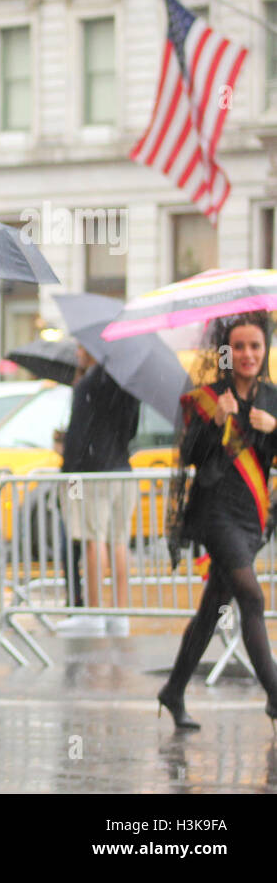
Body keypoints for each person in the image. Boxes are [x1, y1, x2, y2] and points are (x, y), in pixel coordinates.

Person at [159, 312, 277, 731]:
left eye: (255, 346)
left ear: (265, 350)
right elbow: (189, 455)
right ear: (226, 352)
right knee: (253, 599)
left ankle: (172, 690)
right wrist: (216, 421)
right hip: (215, 513)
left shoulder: (272, 399)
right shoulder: (207, 398)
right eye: (239, 347)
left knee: (213, 609)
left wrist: (275, 428)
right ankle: (276, 696)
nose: (248, 354)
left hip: (251, 518)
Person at [55, 345, 139, 638]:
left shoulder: (88, 384)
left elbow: (78, 434)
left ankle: (94, 611)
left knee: (93, 541)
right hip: (122, 468)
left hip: (92, 472)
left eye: (80, 345)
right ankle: (120, 613)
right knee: (118, 542)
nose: (77, 351)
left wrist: (68, 473)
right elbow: (131, 430)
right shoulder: (125, 383)